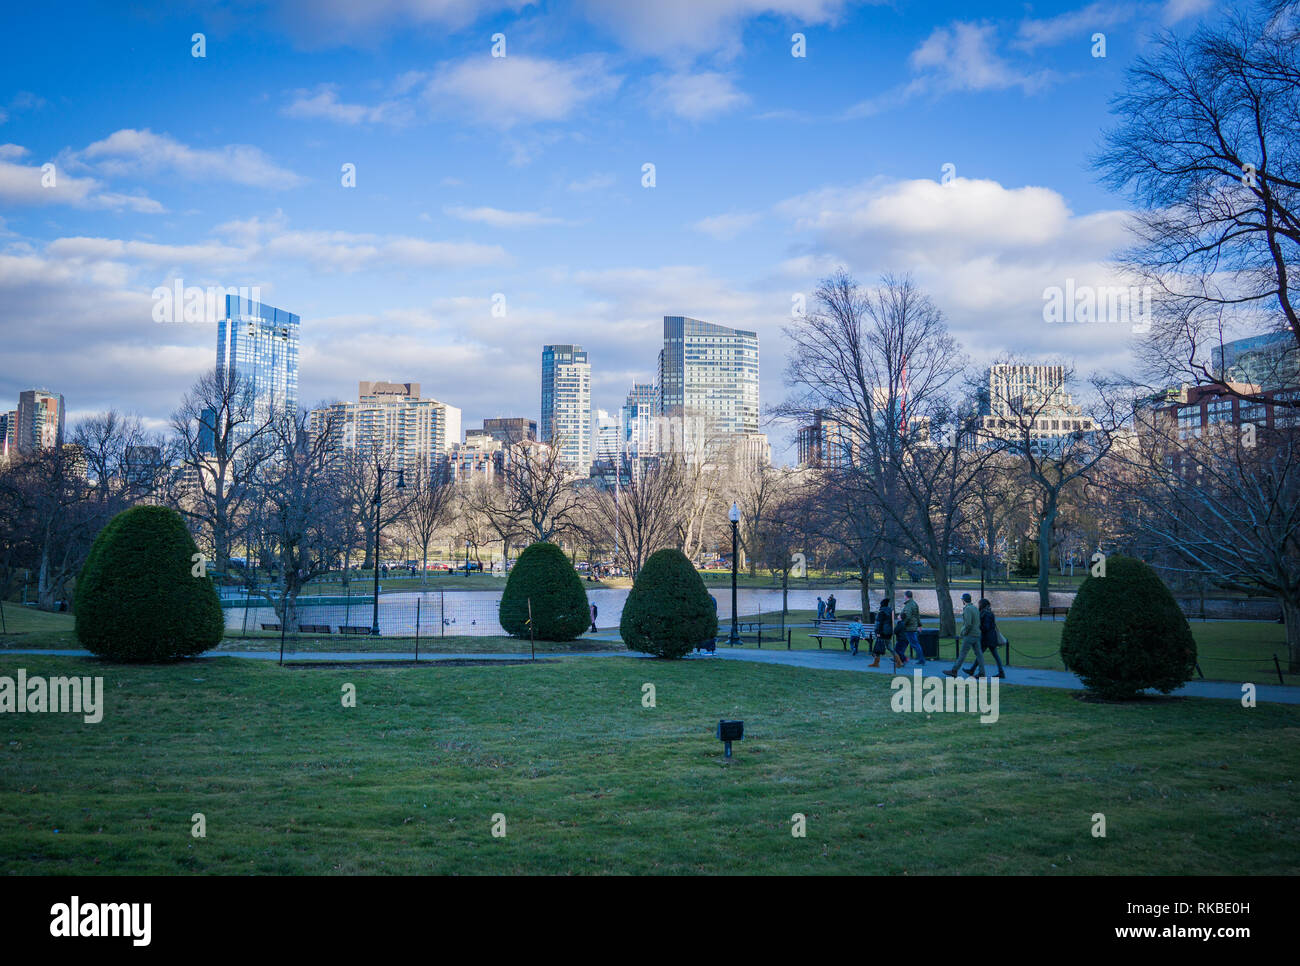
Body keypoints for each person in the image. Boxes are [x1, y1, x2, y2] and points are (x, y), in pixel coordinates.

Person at [965, 599, 1006, 678]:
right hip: (991, 637)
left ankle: (977, 671)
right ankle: (1001, 672)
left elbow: (986, 627)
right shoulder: (989, 613)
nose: (978, 605)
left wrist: (978, 627)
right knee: (994, 655)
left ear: (982, 605)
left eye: (979, 604)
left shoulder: (985, 614)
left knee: (980, 655)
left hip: (987, 639)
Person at [945, 593, 984, 678]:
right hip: (977, 634)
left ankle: (954, 670)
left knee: (962, 654)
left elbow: (968, 624)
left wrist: (963, 633)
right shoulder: (975, 608)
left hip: (970, 635)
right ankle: (982, 672)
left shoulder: (967, 609)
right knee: (979, 654)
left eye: (962, 599)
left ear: (963, 600)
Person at [899, 589, 924, 666]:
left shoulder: (909, 605)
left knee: (914, 644)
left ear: (906, 596)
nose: (903, 597)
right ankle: (900, 657)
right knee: (906, 643)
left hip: (909, 627)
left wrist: (901, 622)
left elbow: (908, 616)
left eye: (904, 596)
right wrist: (919, 625)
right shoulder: (914, 604)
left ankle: (921, 660)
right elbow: (917, 616)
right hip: (912, 627)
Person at [869, 598, 893, 668]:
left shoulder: (882, 612)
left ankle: (876, 663)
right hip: (888, 632)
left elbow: (879, 624)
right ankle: (899, 661)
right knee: (889, 647)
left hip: (882, 632)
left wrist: (878, 632)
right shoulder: (890, 612)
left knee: (878, 646)